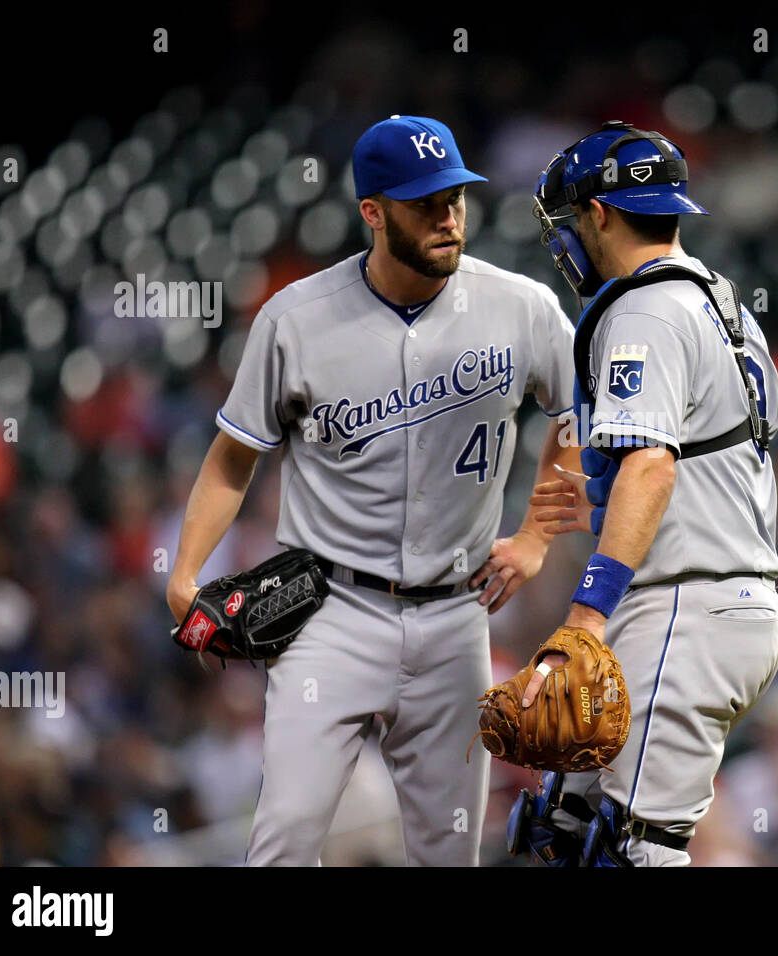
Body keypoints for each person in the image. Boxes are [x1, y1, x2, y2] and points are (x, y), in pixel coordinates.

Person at [165, 114, 581, 865]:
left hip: (457, 616)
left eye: (454, 196)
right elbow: (233, 457)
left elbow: (576, 421)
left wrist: (535, 537)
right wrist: (186, 572)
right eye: (424, 202)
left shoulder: (521, 307)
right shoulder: (297, 318)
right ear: (373, 212)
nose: (447, 215)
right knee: (284, 839)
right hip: (329, 611)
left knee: (450, 849)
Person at [512, 121, 778, 866]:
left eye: (573, 219)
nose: (570, 237)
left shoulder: (643, 310)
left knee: (633, 852)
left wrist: (584, 616)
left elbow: (653, 468)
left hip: (686, 606)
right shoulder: (719, 303)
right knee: (564, 830)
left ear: (598, 214)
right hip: (714, 602)